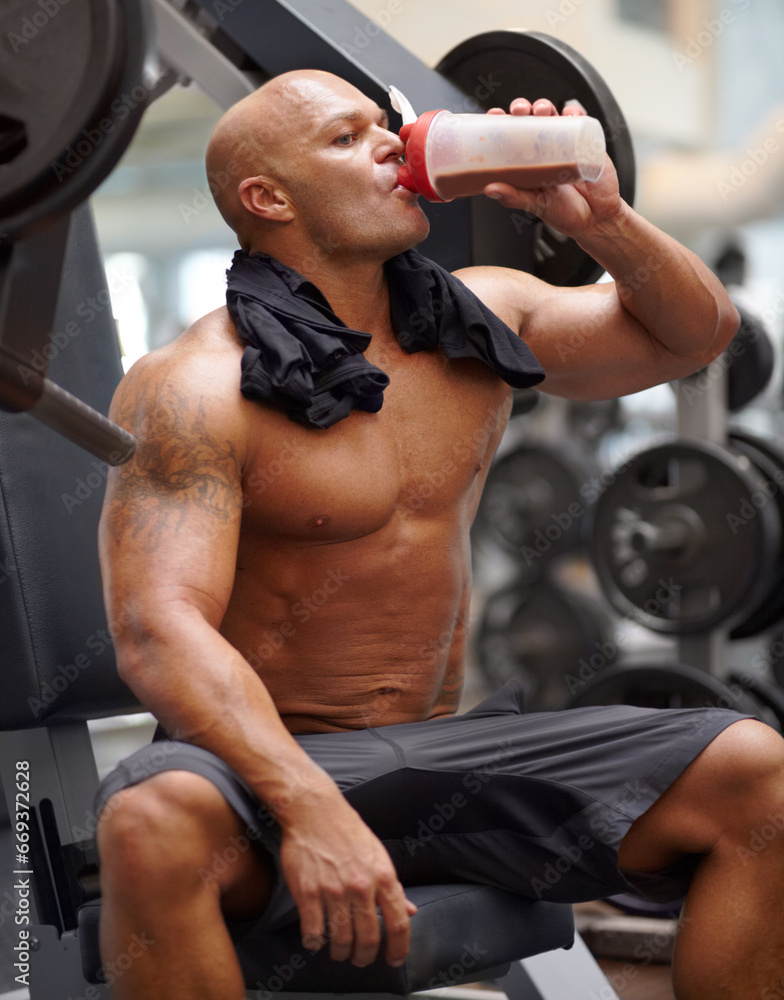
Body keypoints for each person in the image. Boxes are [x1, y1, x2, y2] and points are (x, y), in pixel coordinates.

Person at [94, 69, 784, 1000]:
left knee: (757, 770)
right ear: (268, 197)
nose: (389, 143)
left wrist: (597, 220)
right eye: (345, 138)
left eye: (385, 126)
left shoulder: (480, 320)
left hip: (442, 751)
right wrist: (311, 809)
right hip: (264, 771)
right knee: (151, 821)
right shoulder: (194, 386)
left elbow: (696, 336)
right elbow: (157, 627)